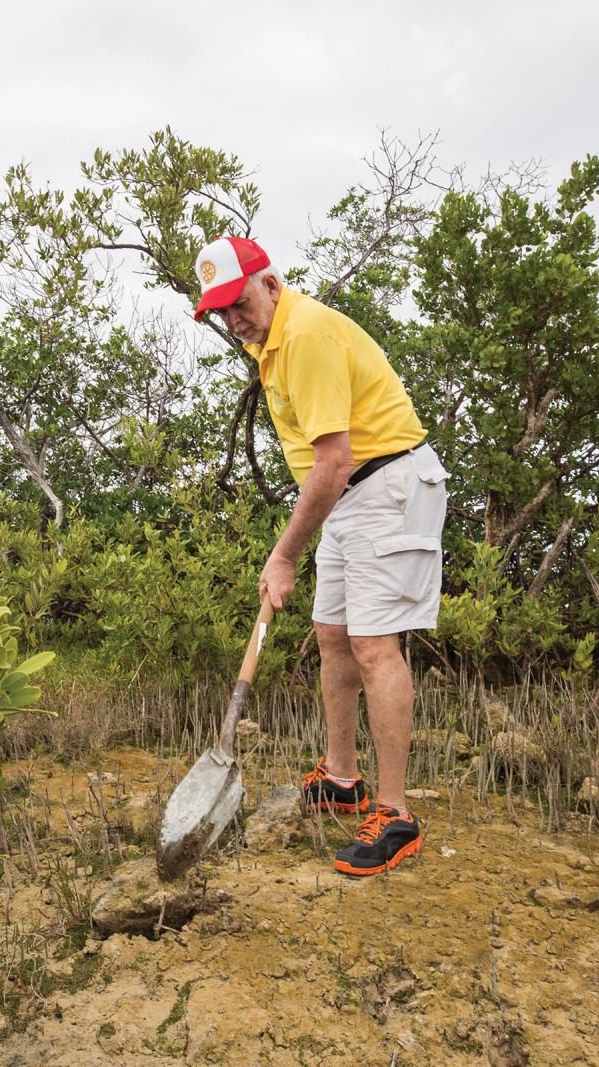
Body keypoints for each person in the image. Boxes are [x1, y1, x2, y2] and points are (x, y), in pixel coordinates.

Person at [192, 236, 450, 876]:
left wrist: (283, 557)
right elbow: (324, 466)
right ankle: (341, 779)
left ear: (271, 284)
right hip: (347, 496)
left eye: (239, 303)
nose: (234, 320)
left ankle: (396, 815)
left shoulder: (303, 335)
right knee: (331, 633)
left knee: (372, 643)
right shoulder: (270, 346)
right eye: (221, 312)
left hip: (385, 486)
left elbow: (332, 460)